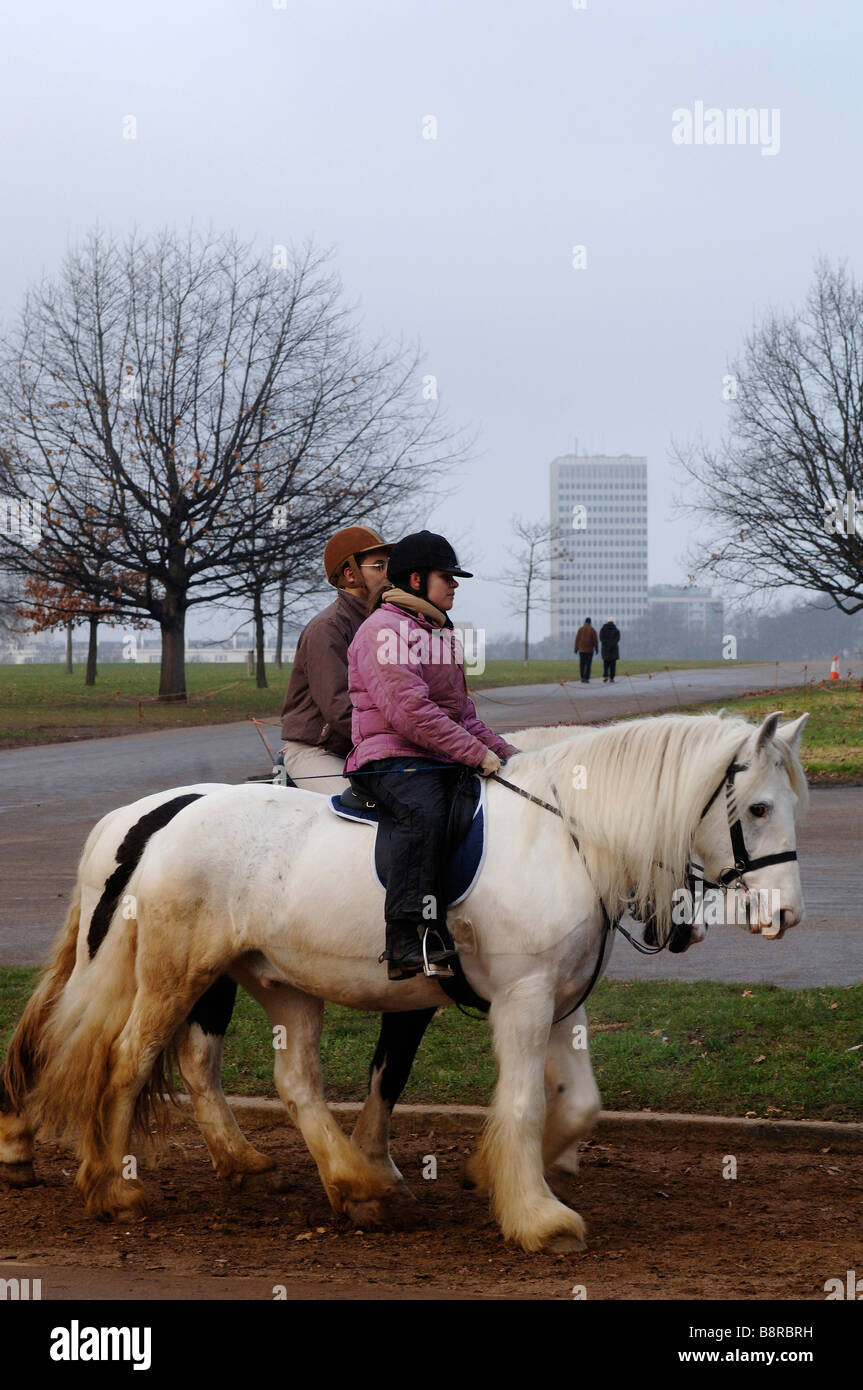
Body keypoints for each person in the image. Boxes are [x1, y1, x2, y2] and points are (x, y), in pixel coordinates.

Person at [346, 530, 520, 980]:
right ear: (417, 579)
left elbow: (463, 716)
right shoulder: (382, 631)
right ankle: (406, 936)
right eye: (449, 577)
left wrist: (511, 757)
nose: (456, 585)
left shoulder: (439, 634)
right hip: (390, 758)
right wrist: (474, 753)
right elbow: (411, 713)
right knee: (424, 811)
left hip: (433, 756)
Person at [278, 526, 393, 794]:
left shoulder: (382, 623)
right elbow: (339, 707)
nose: (388, 574)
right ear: (351, 574)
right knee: (365, 813)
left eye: (389, 565)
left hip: (362, 748)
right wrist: (396, 738)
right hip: (317, 753)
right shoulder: (327, 628)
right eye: (379, 566)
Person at [574, 616, 599, 683]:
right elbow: (595, 640)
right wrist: (596, 648)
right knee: (588, 664)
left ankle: (582, 677)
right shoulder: (592, 630)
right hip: (589, 650)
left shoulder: (580, 629)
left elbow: (577, 639)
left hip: (581, 649)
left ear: (585, 622)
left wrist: (576, 648)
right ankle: (586, 678)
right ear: (590, 622)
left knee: (582, 664)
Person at [599, 617, 621, 683]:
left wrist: (606, 644)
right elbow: (617, 639)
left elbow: (601, 638)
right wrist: (612, 644)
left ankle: (605, 675)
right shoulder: (616, 630)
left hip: (605, 649)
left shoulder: (603, 629)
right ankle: (611, 677)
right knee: (612, 665)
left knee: (606, 664)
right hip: (613, 650)